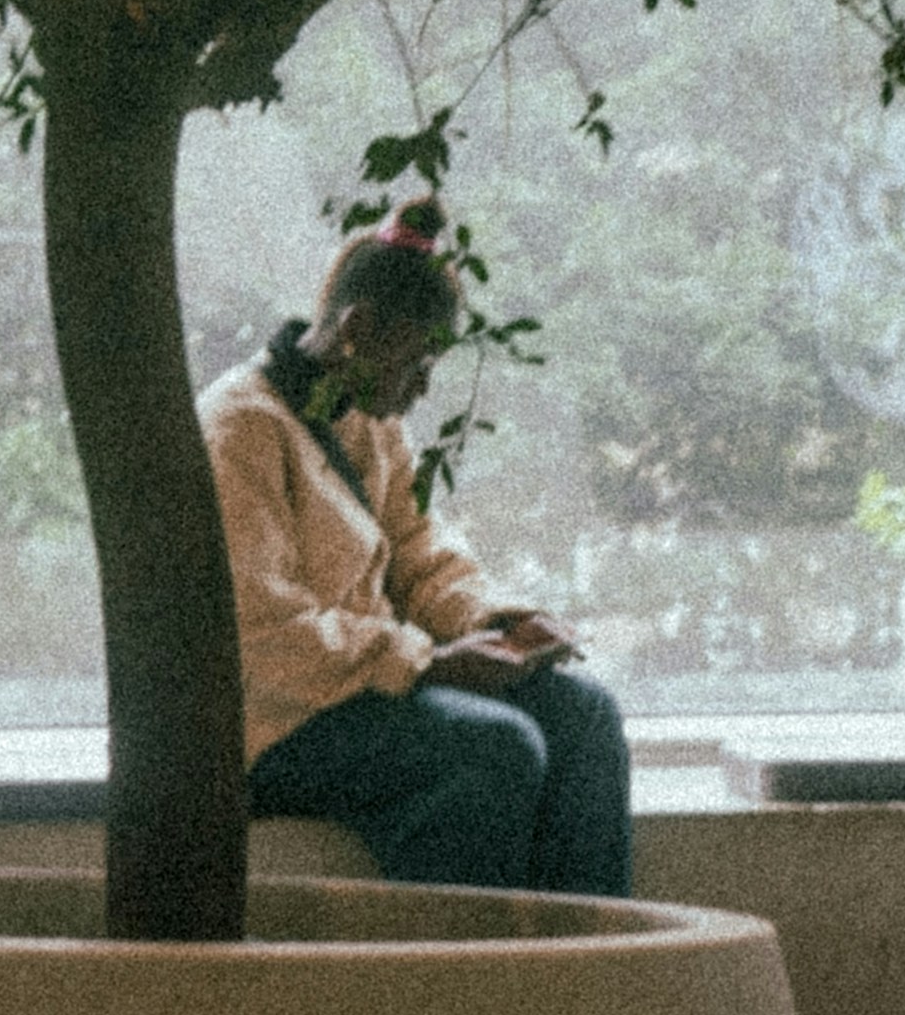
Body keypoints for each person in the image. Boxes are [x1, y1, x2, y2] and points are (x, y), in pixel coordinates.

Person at [213, 216, 631, 896]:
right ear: (358, 329)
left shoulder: (368, 419)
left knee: (586, 716)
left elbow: (419, 554)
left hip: (366, 681)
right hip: (280, 717)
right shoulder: (238, 432)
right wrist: (426, 663)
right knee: (493, 750)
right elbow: (262, 635)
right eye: (419, 363)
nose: (424, 388)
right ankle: (460, 984)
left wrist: (493, 624)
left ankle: (583, 971)